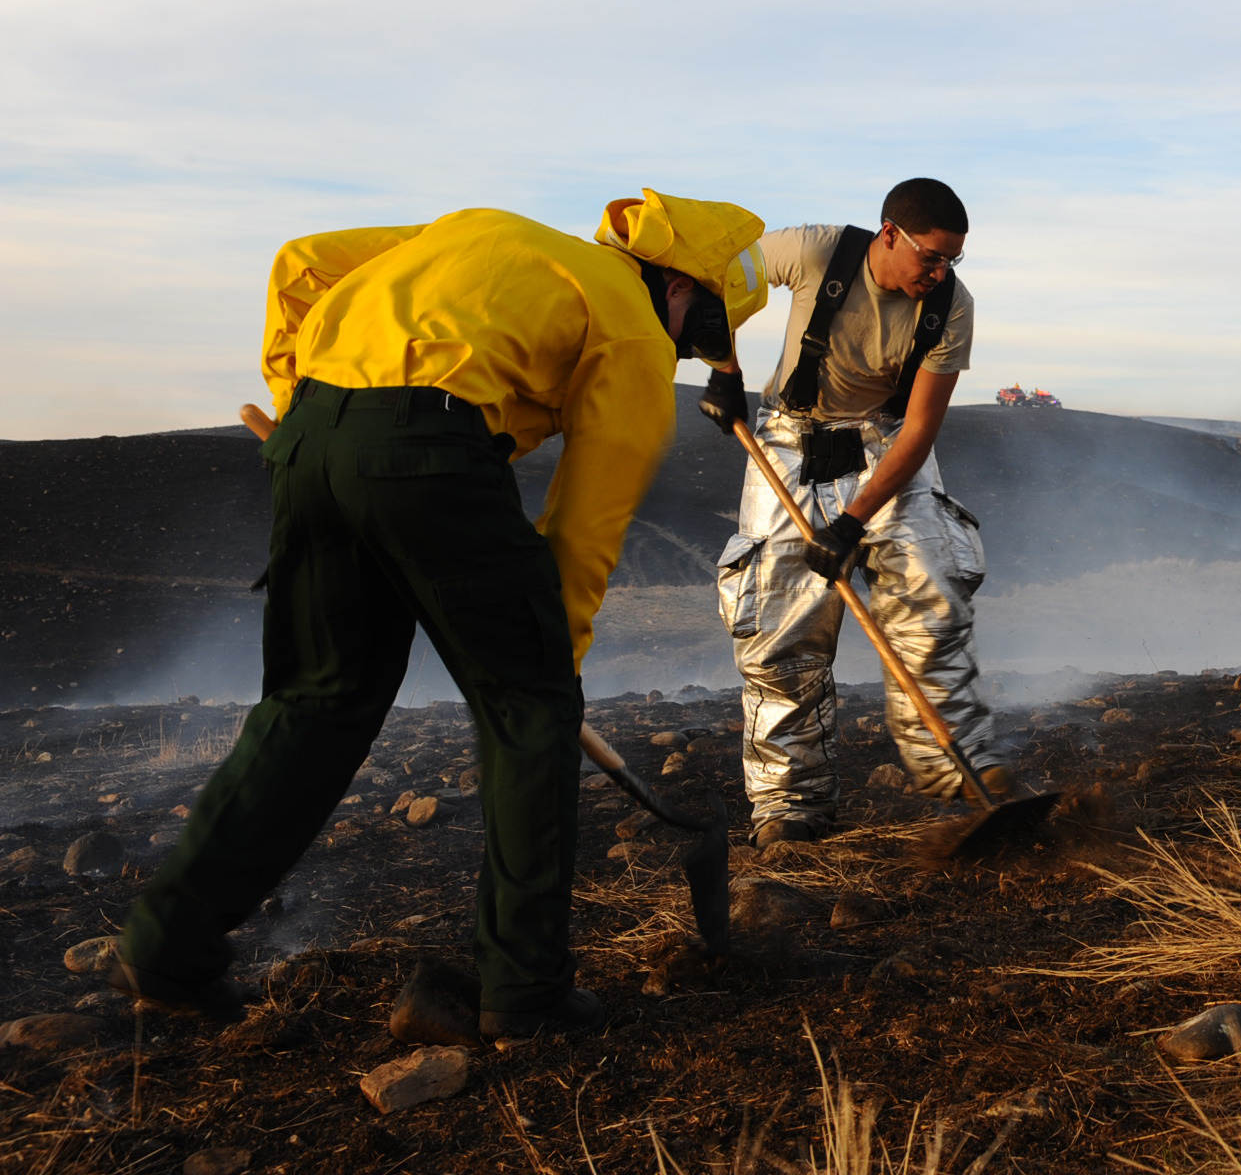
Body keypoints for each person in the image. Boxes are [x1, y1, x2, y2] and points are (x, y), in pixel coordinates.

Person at [114, 191, 768, 1036]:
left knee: (317, 701)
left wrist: (297, 398)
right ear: (680, 283)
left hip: (312, 440)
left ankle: (169, 946)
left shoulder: (482, 231)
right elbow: (584, 525)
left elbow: (301, 262)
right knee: (527, 709)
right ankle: (526, 987)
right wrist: (548, 666)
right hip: (438, 449)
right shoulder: (633, 329)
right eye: (705, 326)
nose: (689, 348)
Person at [706, 178, 1008, 846]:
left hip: (887, 444)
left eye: (952, 261)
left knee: (933, 594)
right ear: (889, 234)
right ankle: (790, 808)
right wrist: (723, 370)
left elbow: (920, 430)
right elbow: (718, 282)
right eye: (930, 256)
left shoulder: (952, 306)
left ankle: (964, 776)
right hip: (789, 438)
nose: (940, 273)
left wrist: (851, 522)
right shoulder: (816, 252)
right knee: (779, 632)